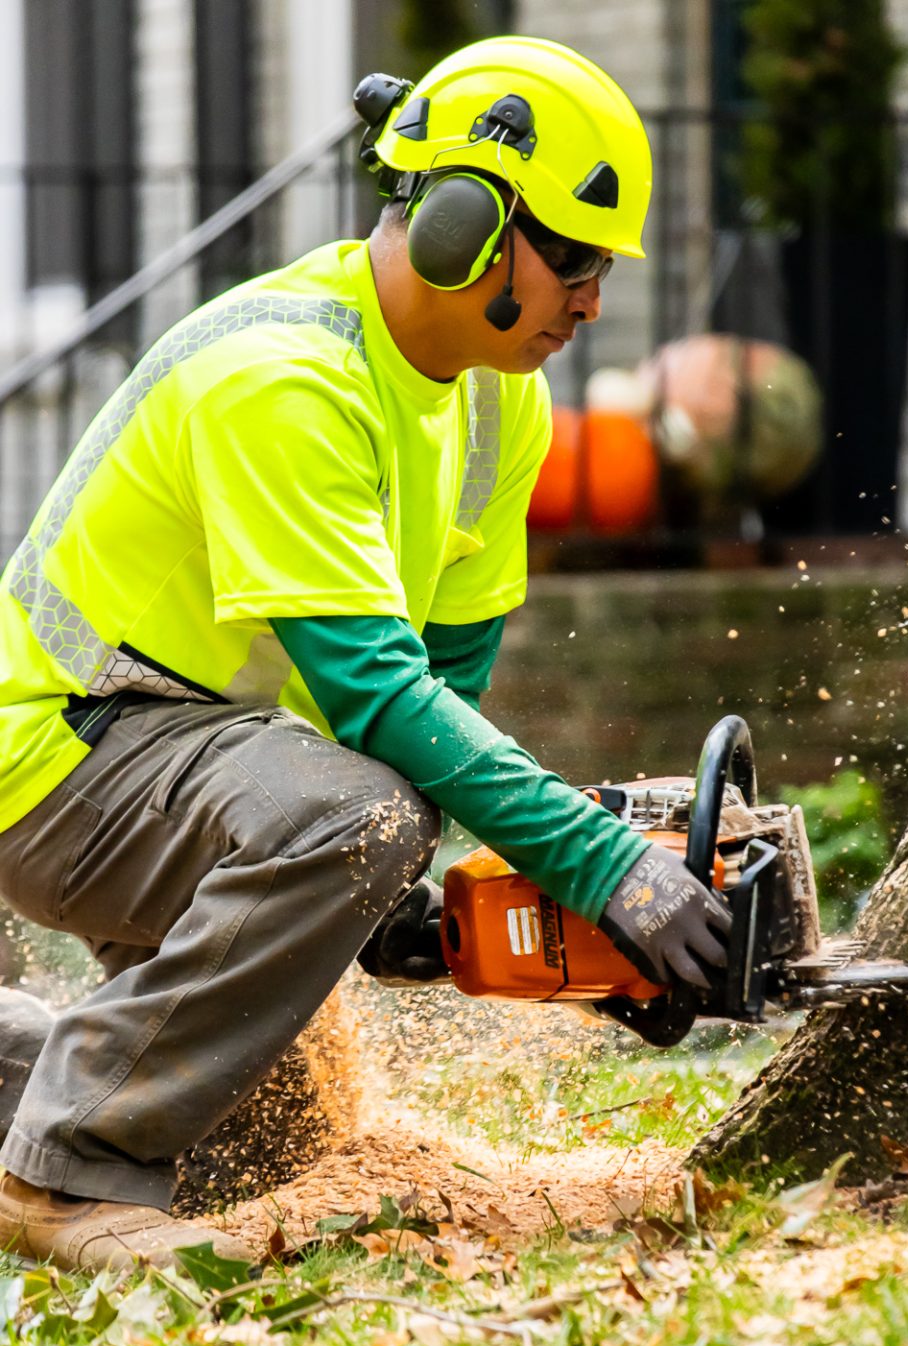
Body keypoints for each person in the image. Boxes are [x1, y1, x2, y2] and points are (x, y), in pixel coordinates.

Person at [0, 36, 731, 1274]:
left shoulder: (499, 400)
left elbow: (446, 687)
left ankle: (43, 1090)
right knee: (361, 817)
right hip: (61, 760)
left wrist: (410, 908)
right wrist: (604, 864)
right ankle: (55, 1179)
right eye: (574, 258)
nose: (593, 301)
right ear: (464, 223)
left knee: (261, 1151)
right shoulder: (279, 378)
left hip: (198, 772)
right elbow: (376, 700)